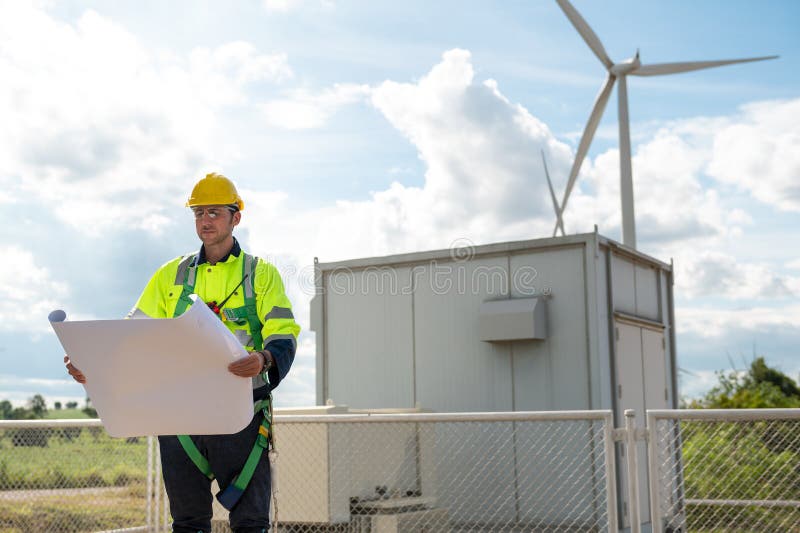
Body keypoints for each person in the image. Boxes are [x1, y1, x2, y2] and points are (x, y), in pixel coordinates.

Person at [65, 172, 300, 533]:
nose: (205, 220)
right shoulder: (169, 275)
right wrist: (93, 364)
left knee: (251, 524)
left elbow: (283, 334)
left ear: (236, 217)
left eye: (214, 213)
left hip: (240, 414)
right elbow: (131, 336)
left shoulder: (260, 275)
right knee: (188, 523)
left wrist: (264, 359)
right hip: (180, 419)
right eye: (198, 213)